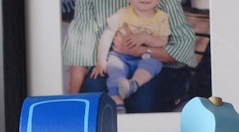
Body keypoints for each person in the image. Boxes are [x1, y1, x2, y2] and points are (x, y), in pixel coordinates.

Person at [62, 0, 200, 113]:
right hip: (113, 60)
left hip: (159, 63)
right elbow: (79, 50)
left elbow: (184, 48)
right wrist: (72, 102)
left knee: (142, 102)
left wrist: (140, 50)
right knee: (94, 96)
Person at [94, 0, 171, 108]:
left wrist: (145, 37)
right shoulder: (123, 14)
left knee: (155, 63)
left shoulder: (162, 18)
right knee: (115, 69)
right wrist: (101, 60)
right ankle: (117, 100)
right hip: (121, 56)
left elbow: (163, 41)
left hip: (145, 57)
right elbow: (108, 34)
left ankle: (133, 84)